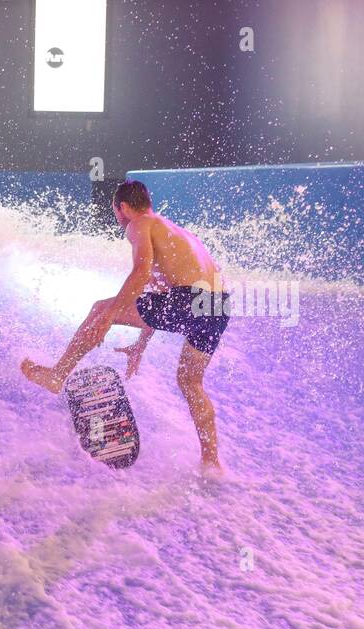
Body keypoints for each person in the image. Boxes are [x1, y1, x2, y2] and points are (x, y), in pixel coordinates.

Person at [20, 179, 231, 471]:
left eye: (116, 213)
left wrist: (110, 314)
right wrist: (140, 345)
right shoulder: (175, 233)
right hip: (218, 307)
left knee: (99, 308)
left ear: (123, 207)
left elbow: (141, 271)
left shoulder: (139, 224)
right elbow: (159, 299)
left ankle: (57, 375)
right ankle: (211, 461)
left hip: (190, 300)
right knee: (191, 382)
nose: (118, 220)